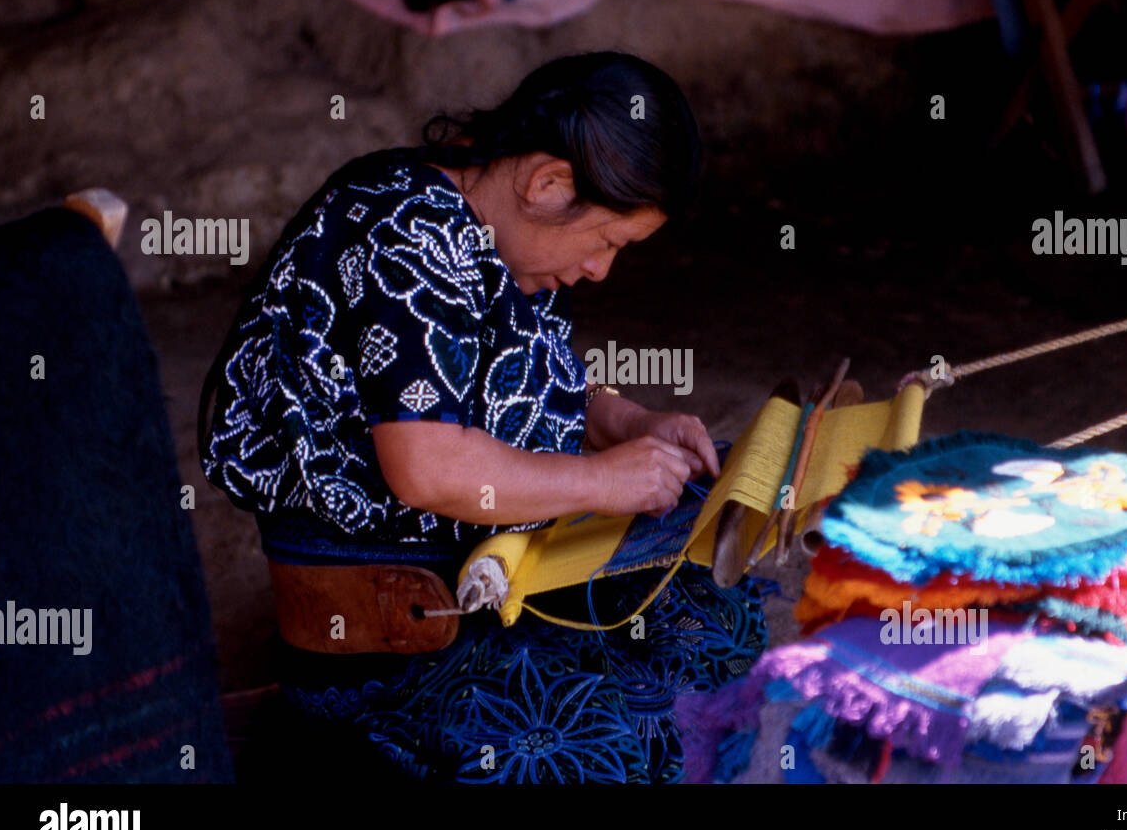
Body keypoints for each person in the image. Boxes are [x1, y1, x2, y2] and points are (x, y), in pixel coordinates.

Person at [198, 51, 768, 783]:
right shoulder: (404, 231)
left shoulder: (496, 233)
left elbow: (517, 387)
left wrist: (625, 426)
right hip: (395, 643)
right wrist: (598, 480)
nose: (601, 271)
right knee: (575, 745)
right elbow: (427, 464)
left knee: (710, 612)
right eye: (606, 243)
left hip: (487, 579)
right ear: (548, 183)